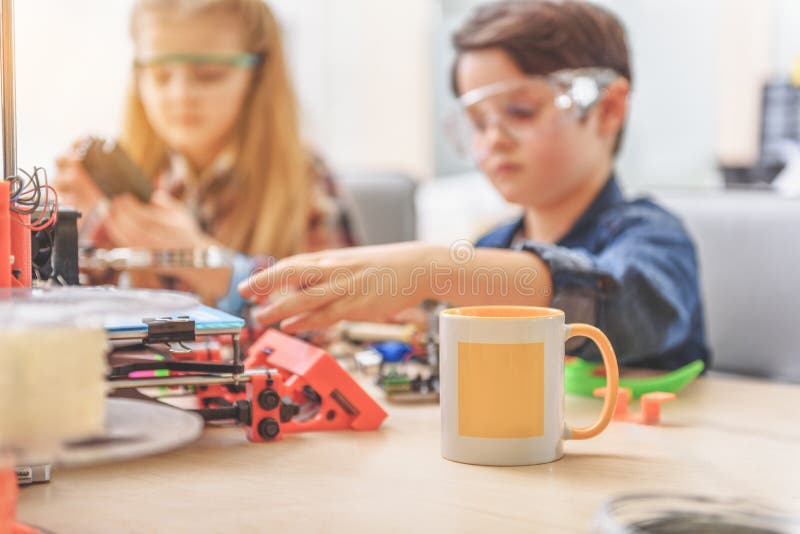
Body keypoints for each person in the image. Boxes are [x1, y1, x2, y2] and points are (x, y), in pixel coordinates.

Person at [238, 0, 710, 370]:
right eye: (477, 123)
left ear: (607, 110)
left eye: (520, 112)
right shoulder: (494, 244)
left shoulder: (653, 237)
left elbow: (627, 305)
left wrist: (435, 269)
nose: (493, 141)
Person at [54, 0, 353, 312]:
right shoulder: (133, 180)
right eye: (160, 75)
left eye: (210, 74)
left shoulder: (303, 181)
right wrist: (72, 235)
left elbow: (342, 314)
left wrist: (213, 267)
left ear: (257, 76)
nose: (180, 94)